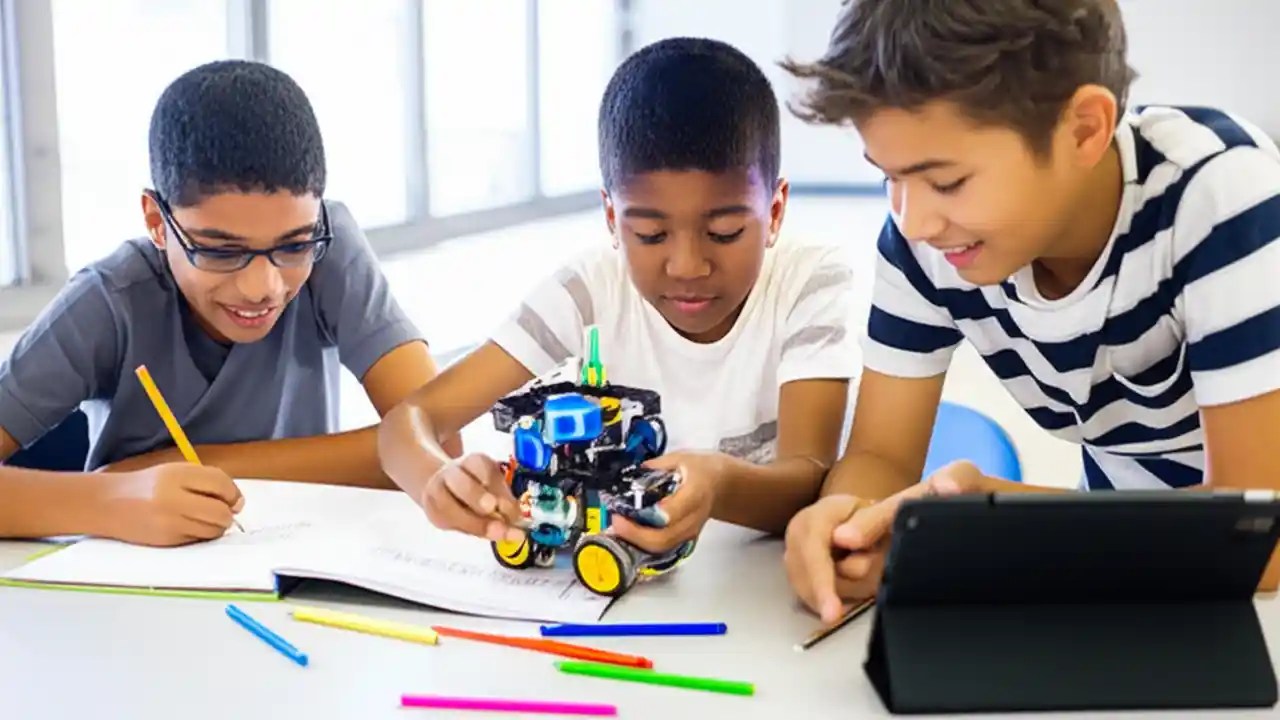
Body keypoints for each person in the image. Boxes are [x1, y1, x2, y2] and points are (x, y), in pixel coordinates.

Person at [778, 0, 1280, 622]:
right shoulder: (926, 245)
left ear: (1083, 130)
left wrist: (1006, 530)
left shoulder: (1221, 199)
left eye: (947, 182)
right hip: (1132, 582)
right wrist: (846, 522)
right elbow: (880, 454)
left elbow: (1259, 536)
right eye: (889, 178)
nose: (913, 221)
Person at [379, 37, 859, 556]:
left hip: (758, 592)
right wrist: (438, 479)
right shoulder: (589, 289)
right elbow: (407, 423)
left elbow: (810, 478)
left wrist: (718, 481)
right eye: (650, 236)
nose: (688, 266)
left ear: (776, 210)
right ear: (612, 218)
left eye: (724, 232)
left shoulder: (811, 282)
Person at [0, 60, 456, 547]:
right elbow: (413, 443)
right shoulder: (110, 300)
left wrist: (183, 465)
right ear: (157, 220)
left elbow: (438, 441)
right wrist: (110, 499)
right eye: (220, 250)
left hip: (298, 558)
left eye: (293, 245)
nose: (263, 286)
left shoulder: (331, 246)